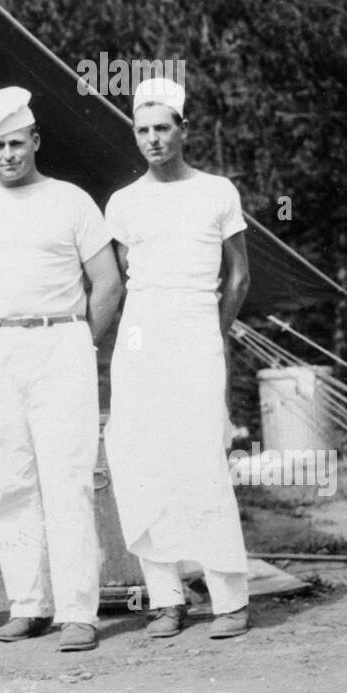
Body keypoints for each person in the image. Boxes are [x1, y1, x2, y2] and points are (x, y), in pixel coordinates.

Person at [0, 86, 122, 651]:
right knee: (11, 482)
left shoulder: (71, 200)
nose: (7, 156)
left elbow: (108, 283)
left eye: (16, 143)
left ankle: (78, 612)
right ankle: (28, 605)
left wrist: (77, 342)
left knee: (67, 482)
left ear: (35, 141)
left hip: (61, 346)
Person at [104, 76, 252, 640]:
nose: (153, 140)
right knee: (139, 459)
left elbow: (238, 275)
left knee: (201, 460)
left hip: (198, 328)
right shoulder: (123, 202)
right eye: (143, 131)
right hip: (142, 335)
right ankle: (166, 599)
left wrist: (209, 333)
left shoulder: (217, 191)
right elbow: (119, 281)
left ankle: (229, 599)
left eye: (163, 128)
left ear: (183, 130)